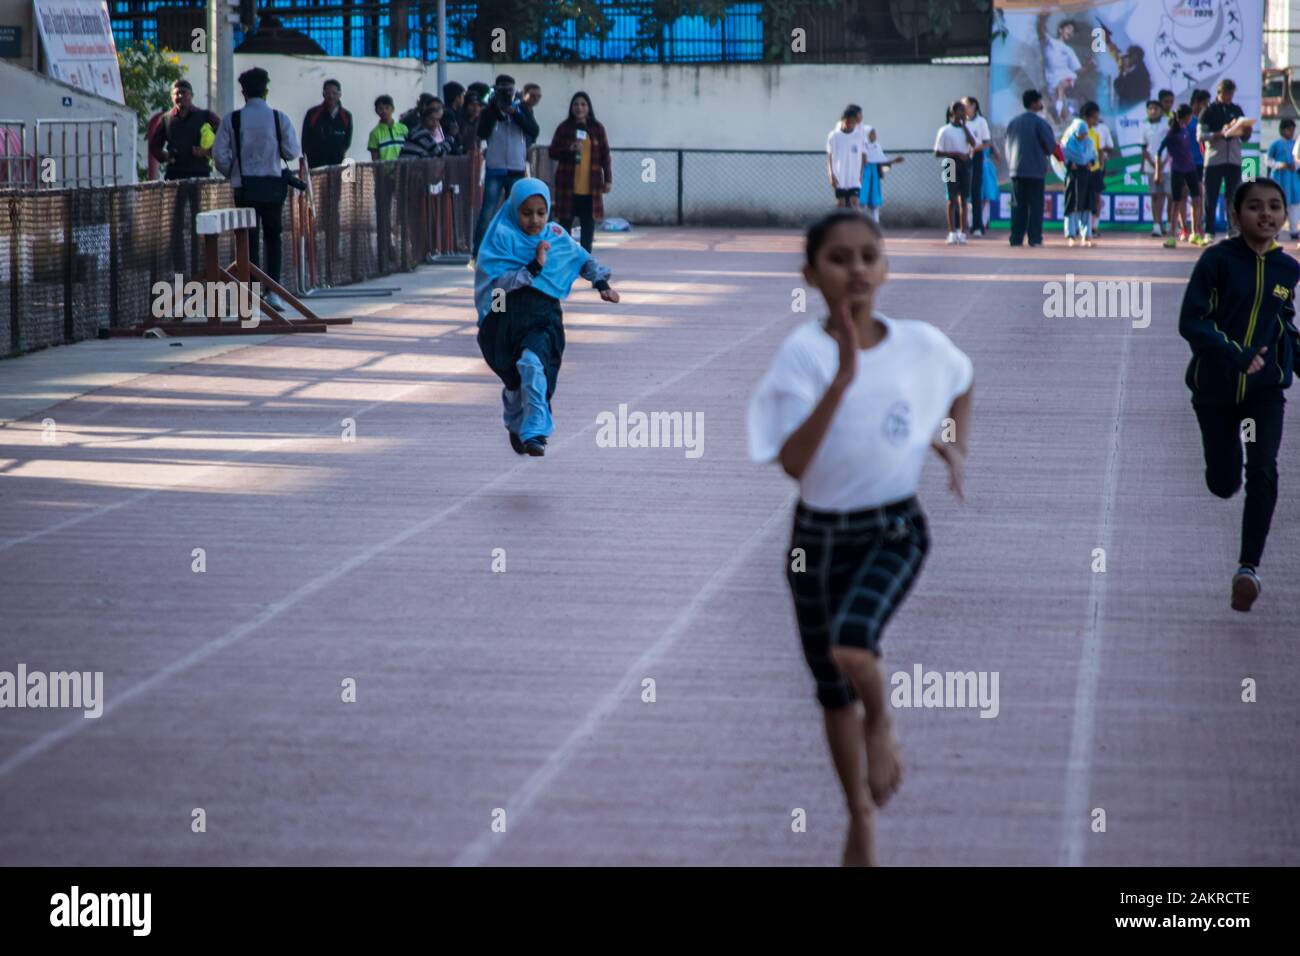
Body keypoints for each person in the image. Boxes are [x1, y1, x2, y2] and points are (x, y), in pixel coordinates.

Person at [746, 209, 973, 867]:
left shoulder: (920, 343)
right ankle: (860, 816)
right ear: (810, 273)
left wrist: (954, 448)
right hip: (813, 540)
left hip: (893, 529)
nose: (856, 270)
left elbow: (960, 382)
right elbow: (793, 462)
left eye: (868, 256)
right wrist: (841, 378)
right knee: (830, 687)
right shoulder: (802, 354)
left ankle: (884, 722)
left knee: (852, 647)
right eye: (838, 258)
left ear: (885, 268)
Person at [1178, 178, 1299, 612]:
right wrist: (1236, 354)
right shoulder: (1217, 261)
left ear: (1285, 214)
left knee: (1263, 469)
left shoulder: (1288, 269)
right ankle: (1221, 473)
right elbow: (1192, 322)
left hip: (1264, 393)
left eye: (1274, 206)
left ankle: (1247, 569)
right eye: (1254, 207)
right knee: (1224, 481)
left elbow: (1282, 322)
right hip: (1215, 391)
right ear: (1235, 214)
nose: (1266, 214)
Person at [474, 178, 620, 456]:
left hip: (542, 317)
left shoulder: (554, 234)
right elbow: (497, 286)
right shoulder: (501, 236)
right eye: (526, 212)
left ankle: (536, 429)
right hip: (504, 315)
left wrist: (602, 285)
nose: (534, 220)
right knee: (514, 377)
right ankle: (515, 417)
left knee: (532, 363)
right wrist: (534, 266)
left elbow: (581, 258)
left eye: (541, 212)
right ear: (513, 209)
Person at [212, 67, 301, 307]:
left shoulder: (233, 119)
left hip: (244, 189)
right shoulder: (278, 118)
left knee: (246, 240)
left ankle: (249, 295)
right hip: (272, 187)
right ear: (266, 90)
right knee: (273, 238)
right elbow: (292, 151)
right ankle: (273, 292)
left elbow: (219, 154)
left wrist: (233, 172)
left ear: (243, 92)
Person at [148, 79, 221, 276]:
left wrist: (207, 152)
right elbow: (154, 145)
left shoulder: (205, 116)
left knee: (200, 222)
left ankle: (200, 266)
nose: (180, 97)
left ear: (191, 95)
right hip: (175, 177)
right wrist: (164, 157)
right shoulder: (166, 119)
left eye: (184, 93)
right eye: (176, 93)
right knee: (175, 224)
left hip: (199, 177)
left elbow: (224, 137)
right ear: (172, 97)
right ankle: (179, 269)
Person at [472, 74, 540, 259]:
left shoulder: (521, 109)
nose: (506, 94)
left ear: (515, 90)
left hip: (516, 168)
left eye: (509, 90)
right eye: (502, 90)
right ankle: (477, 254)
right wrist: (495, 109)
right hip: (495, 168)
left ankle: (515, 251)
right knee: (487, 212)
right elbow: (483, 132)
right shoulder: (489, 110)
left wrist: (514, 113)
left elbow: (534, 130)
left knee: (517, 213)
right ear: (495, 89)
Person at [547, 91, 612, 253]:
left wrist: (608, 179)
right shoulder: (564, 128)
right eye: (576, 104)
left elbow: (605, 155)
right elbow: (552, 152)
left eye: (583, 104)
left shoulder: (597, 128)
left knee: (588, 226)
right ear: (571, 107)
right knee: (565, 225)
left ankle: (585, 259)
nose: (579, 108)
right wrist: (570, 148)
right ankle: (565, 258)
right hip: (567, 185)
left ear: (588, 108)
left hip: (591, 187)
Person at [1200, 78, 1252, 240]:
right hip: (1214, 159)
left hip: (1234, 159)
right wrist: (1220, 133)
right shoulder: (1208, 111)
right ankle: (1209, 230)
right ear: (1219, 92)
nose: (1229, 96)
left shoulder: (1236, 110)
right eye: (1227, 93)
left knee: (1233, 196)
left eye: (1231, 93)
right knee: (1211, 196)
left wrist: (1246, 130)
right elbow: (1200, 135)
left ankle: (1232, 230)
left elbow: (1245, 138)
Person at [1004, 90, 1057, 247]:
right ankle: (1034, 238)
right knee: (1035, 206)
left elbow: (1007, 145)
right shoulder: (1040, 123)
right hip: (1035, 171)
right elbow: (1050, 147)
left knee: (1017, 205)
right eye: (1040, 101)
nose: (1041, 104)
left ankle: (1016, 237)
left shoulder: (1013, 122)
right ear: (1034, 103)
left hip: (1016, 170)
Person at [1159, 105, 1205, 247]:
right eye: (1189, 116)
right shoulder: (1172, 132)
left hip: (1191, 169)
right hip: (1177, 170)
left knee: (1197, 199)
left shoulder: (1186, 128)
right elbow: (1159, 150)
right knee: (1177, 202)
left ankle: (1195, 233)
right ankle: (1172, 236)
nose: (1191, 118)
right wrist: (1157, 170)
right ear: (1184, 116)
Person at [935, 101, 975, 245]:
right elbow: (937, 152)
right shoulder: (944, 130)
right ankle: (952, 233)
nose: (962, 114)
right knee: (952, 199)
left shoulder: (966, 128)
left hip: (965, 165)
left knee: (964, 199)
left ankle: (963, 233)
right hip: (950, 164)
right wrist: (956, 153)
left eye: (963, 111)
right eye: (959, 111)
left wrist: (964, 126)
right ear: (952, 113)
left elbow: (973, 143)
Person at [858, 123, 905, 225]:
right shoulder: (861, 146)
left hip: (874, 175)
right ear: (866, 134)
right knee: (861, 201)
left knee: (874, 201)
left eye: (874, 134)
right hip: (864, 174)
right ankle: (859, 224)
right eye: (871, 134)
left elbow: (881, 160)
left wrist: (893, 161)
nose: (874, 136)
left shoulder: (877, 146)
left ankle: (875, 224)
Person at [301, 79, 353, 169]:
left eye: (334, 93)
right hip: (315, 165)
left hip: (337, 165)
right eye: (328, 93)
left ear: (340, 94)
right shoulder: (312, 113)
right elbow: (305, 139)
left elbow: (347, 141)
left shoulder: (346, 116)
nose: (331, 96)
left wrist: (339, 152)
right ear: (323, 94)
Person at [1039, 17, 1083, 123]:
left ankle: (1058, 108)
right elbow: (1041, 30)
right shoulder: (1050, 42)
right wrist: (1042, 19)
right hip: (1051, 82)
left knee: (1061, 85)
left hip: (1067, 77)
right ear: (1060, 30)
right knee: (1061, 117)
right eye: (1068, 29)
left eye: (1072, 31)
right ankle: (1060, 116)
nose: (1070, 32)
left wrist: (1090, 66)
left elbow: (1079, 69)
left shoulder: (1069, 50)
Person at [1062, 119, 1095, 248]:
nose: (1083, 136)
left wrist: (1090, 163)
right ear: (1075, 132)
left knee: (1087, 205)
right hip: (1073, 176)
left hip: (1086, 176)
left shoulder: (1089, 143)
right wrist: (1070, 164)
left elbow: (1093, 156)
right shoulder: (1068, 143)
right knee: (1071, 205)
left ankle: (1086, 235)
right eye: (1081, 133)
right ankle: (1071, 235)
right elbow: (1062, 157)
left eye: (1085, 133)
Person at [827, 105, 868, 210]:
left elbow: (864, 156)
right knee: (841, 204)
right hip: (839, 176)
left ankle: (856, 226)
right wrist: (831, 175)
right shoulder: (834, 136)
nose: (850, 125)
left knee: (854, 203)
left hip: (854, 177)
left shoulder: (860, 136)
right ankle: (838, 225)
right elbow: (829, 157)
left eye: (853, 122)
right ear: (842, 120)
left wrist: (861, 174)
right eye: (848, 122)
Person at [962, 96, 992, 237]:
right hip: (954, 160)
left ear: (974, 106)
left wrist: (974, 149)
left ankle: (977, 225)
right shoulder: (953, 126)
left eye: (966, 105)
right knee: (954, 192)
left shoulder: (981, 122)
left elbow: (986, 143)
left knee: (975, 191)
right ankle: (957, 227)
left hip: (975, 158)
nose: (964, 109)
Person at [1081, 101, 1112, 237]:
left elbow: (1101, 151)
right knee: (1082, 198)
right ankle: (1082, 226)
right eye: (1094, 117)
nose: (1097, 119)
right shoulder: (1078, 131)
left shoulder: (1097, 132)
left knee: (1097, 198)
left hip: (1096, 170)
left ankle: (1094, 226)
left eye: (1097, 116)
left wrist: (1100, 167)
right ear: (1086, 117)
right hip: (1081, 170)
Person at [1141, 99, 1171, 239]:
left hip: (1166, 165)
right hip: (1151, 166)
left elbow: (1171, 145)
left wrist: (1163, 162)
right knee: (1154, 195)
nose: (1153, 111)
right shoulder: (1144, 126)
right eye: (1150, 109)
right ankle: (1156, 225)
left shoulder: (1167, 124)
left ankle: (1169, 224)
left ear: (1161, 110)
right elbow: (1143, 148)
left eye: (1156, 109)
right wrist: (1152, 164)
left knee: (1166, 194)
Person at [1267, 120, 1300, 242]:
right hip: (1279, 180)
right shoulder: (1275, 144)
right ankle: (1275, 231)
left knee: (1294, 206)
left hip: (1293, 180)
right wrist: (1280, 165)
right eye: (1290, 129)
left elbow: (1298, 159)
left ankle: (1294, 230)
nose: (1292, 132)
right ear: (1283, 130)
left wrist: (1295, 166)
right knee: (1277, 205)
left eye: (1293, 130)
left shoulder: (1296, 144)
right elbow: (1268, 161)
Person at [1188, 89, 1211, 240]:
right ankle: (1186, 228)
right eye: (1204, 103)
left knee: (1199, 196)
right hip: (1185, 164)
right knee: (1185, 197)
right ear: (1195, 103)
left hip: (1200, 163)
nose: (1206, 106)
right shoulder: (1187, 119)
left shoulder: (1206, 119)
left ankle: (1197, 228)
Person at [367, 94, 407, 161]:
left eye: (387, 107)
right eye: (380, 108)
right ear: (376, 111)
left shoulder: (403, 128)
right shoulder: (374, 133)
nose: (384, 111)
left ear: (393, 109)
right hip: (385, 171)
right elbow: (375, 160)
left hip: (404, 169)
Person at [1112, 45, 1151, 111]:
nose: (1126, 60)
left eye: (1128, 57)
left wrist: (1121, 71)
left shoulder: (1137, 74)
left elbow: (1120, 89)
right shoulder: (1140, 71)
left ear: (1134, 56)